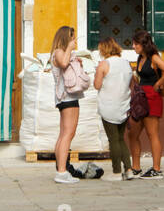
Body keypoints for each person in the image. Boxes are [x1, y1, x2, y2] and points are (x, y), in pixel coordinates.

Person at [126, 29, 164, 179]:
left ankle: (156, 169)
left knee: (152, 134)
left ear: (143, 44)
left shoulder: (154, 57)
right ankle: (136, 167)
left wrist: (158, 84)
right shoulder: (140, 58)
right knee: (132, 133)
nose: (133, 46)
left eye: (136, 44)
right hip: (140, 98)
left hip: (152, 98)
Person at [94, 37, 140, 180]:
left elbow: (97, 85)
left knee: (113, 140)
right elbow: (131, 84)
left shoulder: (104, 64)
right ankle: (129, 169)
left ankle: (116, 172)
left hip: (108, 106)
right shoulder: (126, 64)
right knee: (121, 139)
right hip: (124, 105)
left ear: (104, 49)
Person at [49, 26, 87, 184]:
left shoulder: (60, 53)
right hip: (67, 97)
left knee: (63, 133)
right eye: (72, 37)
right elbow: (64, 63)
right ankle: (62, 172)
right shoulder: (59, 52)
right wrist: (70, 50)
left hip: (64, 97)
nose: (74, 40)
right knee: (68, 134)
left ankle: (60, 168)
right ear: (65, 38)